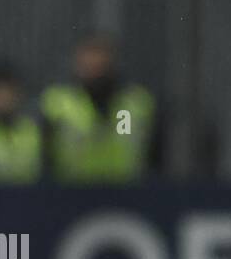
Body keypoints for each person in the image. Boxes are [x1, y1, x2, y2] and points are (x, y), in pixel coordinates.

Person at [40, 33, 154, 183]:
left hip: (126, 190)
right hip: (72, 191)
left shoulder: (135, 102)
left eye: (100, 60)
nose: (95, 66)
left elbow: (154, 153)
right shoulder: (58, 103)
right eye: (89, 61)